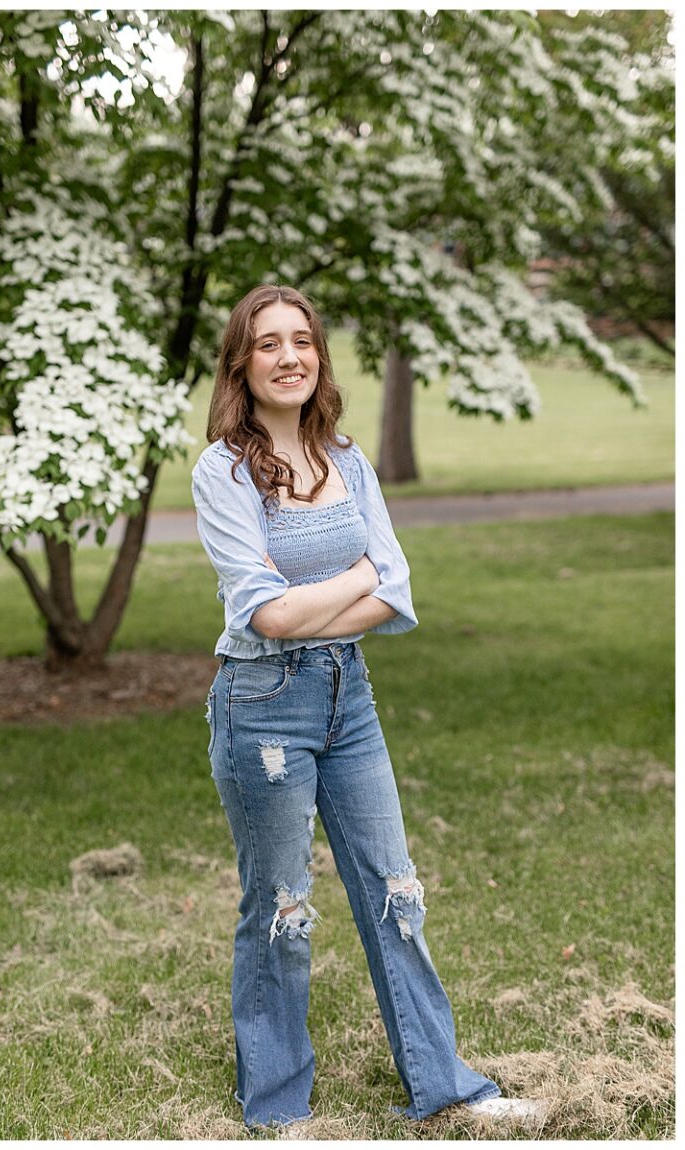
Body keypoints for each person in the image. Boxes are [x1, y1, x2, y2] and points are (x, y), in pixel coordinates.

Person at [190, 284, 544, 1131]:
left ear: (319, 356)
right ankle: (278, 1109)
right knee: (281, 905)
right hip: (262, 707)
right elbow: (264, 615)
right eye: (268, 343)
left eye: (302, 341)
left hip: (349, 697)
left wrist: (335, 596)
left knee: (396, 891)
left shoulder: (347, 461)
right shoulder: (225, 471)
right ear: (242, 361)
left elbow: (400, 592)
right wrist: (354, 580)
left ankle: (445, 1087)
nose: (289, 358)